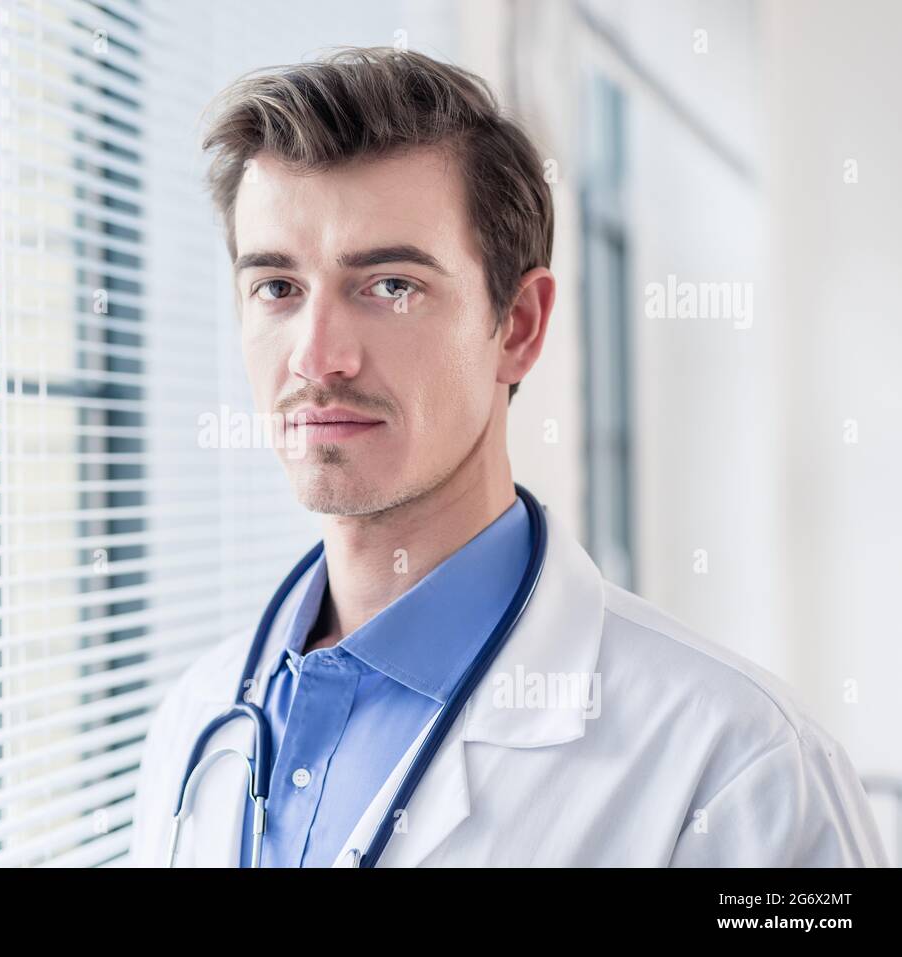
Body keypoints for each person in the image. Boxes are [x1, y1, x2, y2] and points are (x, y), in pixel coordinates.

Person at [127, 46, 887, 867]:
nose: (318, 356)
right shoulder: (197, 724)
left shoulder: (740, 768)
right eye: (277, 288)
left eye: (390, 286)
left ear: (518, 326)